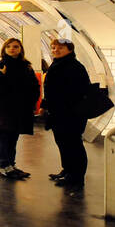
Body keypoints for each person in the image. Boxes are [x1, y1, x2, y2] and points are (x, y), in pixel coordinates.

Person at [0, 38, 39, 180]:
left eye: (16, 47)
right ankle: (3, 166)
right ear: (4, 49)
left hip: (20, 108)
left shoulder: (26, 67)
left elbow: (34, 87)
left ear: (20, 49)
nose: (12, 49)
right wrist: (0, 74)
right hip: (3, 107)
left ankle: (11, 165)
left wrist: (32, 102)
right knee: (2, 136)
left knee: (13, 137)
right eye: (9, 46)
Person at [41, 38, 91, 197]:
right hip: (58, 113)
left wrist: (61, 106)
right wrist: (46, 105)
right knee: (63, 143)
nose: (56, 50)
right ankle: (67, 171)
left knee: (74, 145)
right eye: (54, 47)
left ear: (69, 49)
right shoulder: (58, 64)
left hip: (71, 115)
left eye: (60, 48)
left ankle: (77, 178)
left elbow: (76, 92)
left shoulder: (75, 67)